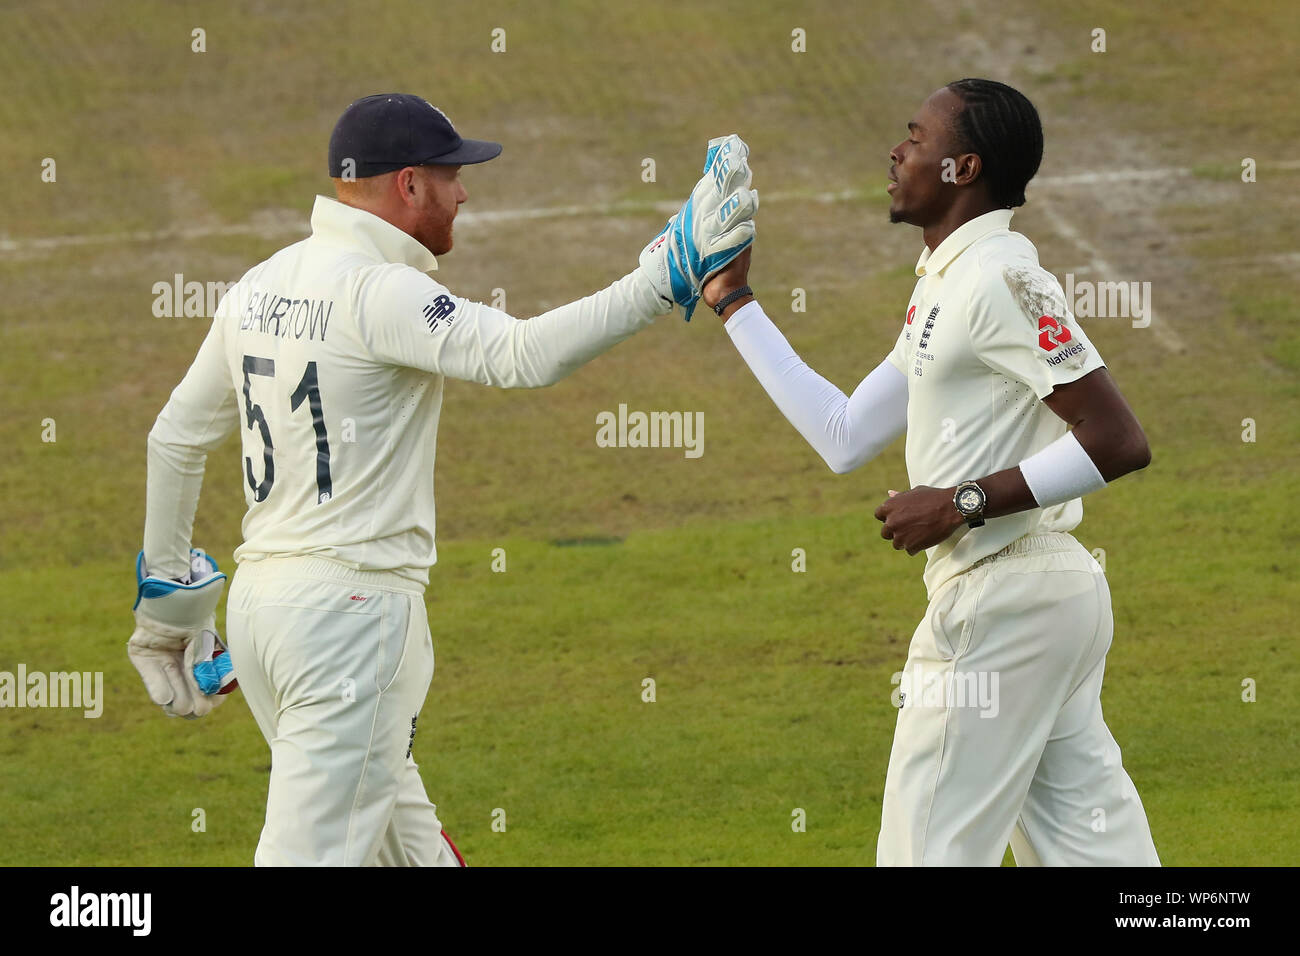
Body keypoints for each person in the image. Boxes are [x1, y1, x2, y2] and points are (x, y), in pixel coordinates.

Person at [127, 93, 757, 866]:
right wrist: (663, 277)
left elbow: (176, 437)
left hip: (266, 617)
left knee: (410, 849)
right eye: (452, 175)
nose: (464, 194)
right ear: (408, 185)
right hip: (350, 625)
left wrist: (167, 608)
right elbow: (522, 355)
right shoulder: (377, 290)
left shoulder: (259, 284)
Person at [702, 79, 1160, 866]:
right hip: (1044, 603)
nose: (897, 150)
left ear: (963, 168)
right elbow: (844, 434)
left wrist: (961, 503)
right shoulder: (947, 286)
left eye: (917, 136)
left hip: (1001, 603)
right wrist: (735, 301)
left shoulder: (998, 280)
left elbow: (1117, 439)